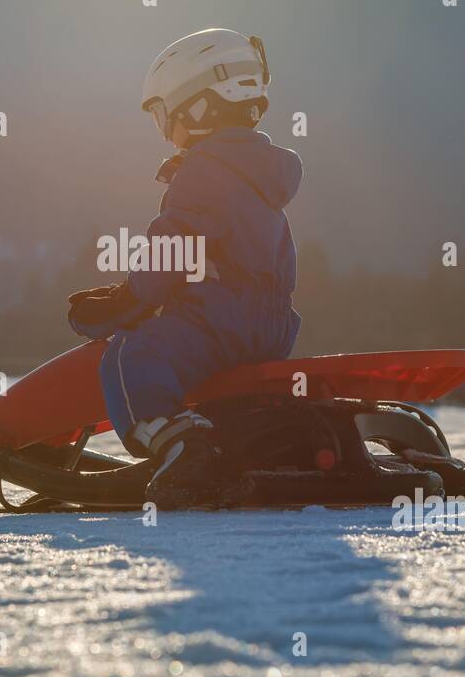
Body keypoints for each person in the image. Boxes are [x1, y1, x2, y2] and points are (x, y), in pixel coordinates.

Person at [67, 29, 302, 508]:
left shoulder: (206, 170)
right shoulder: (260, 171)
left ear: (199, 107)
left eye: (163, 114)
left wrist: (128, 300)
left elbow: (173, 245)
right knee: (191, 364)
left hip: (220, 320)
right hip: (274, 327)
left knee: (131, 357)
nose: (164, 128)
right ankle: (223, 438)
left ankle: (185, 449)